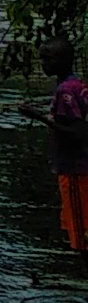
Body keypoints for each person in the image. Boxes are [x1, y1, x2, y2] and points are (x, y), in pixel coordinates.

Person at [43, 36, 88, 252]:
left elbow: (78, 133)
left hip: (75, 171)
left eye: (48, 60)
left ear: (62, 60)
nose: (44, 65)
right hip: (77, 168)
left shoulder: (66, 91)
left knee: (82, 239)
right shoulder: (77, 85)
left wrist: (40, 118)